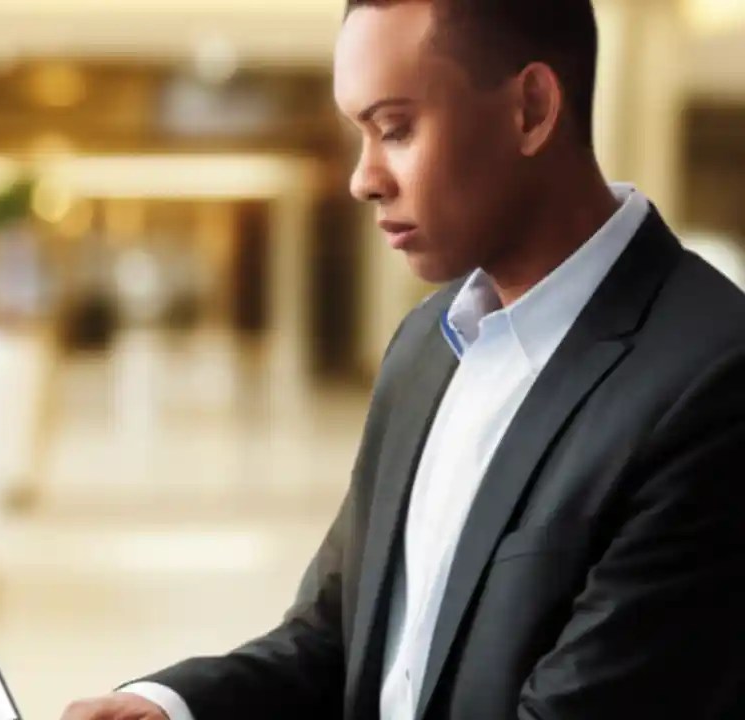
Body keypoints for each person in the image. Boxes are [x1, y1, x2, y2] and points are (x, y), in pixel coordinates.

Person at [60, 0, 745, 717]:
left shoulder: (711, 383)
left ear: (531, 109)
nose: (363, 179)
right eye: (361, 135)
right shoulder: (426, 344)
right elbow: (340, 632)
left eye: (395, 129)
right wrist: (173, 707)